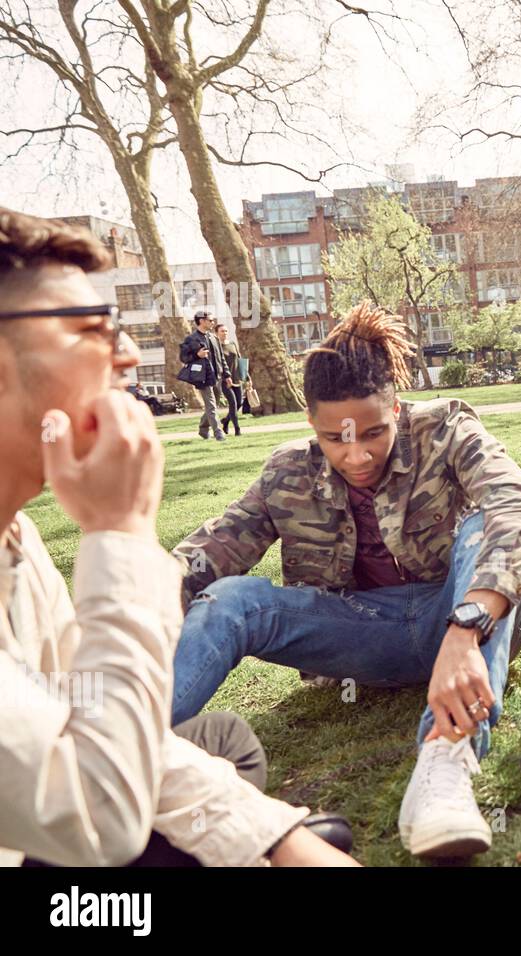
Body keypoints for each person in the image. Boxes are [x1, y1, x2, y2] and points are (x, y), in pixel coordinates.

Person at [0, 207, 355, 867]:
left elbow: (79, 706)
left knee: (222, 743)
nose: (129, 354)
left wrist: (279, 841)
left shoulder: (14, 539)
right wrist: (120, 531)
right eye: (91, 330)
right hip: (66, 830)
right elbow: (101, 814)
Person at [169, 302, 521, 860]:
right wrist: (139, 602)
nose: (356, 454)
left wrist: (464, 627)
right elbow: (213, 548)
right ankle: (123, 747)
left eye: (374, 432)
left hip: (453, 617)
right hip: (360, 632)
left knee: (488, 530)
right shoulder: (287, 472)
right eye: (336, 439)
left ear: (397, 410)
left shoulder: (445, 428)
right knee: (230, 599)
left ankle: (443, 768)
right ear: (312, 424)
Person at [180, 310, 231, 441]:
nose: (213, 322)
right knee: (211, 404)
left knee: (213, 405)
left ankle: (203, 429)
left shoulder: (214, 338)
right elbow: (183, 357)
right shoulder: (191, 339)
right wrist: (197, 355)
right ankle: (218, 432)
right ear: (201, 321)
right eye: (210, 320)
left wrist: (227, 374)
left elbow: (222, 358)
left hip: (217, 376)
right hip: (203, 377)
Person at [216, 322, 242, 436]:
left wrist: (247, 377)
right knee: (233, 403)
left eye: (226, 331)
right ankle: (237, 429)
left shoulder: (232, 344)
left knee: (239, 403)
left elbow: (240, 360)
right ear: (216, 333)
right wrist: (225, 377)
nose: (225, 333)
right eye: (222, 331)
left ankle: (226, 421)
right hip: (224, 380)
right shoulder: (216, 348)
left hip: (237, 379)